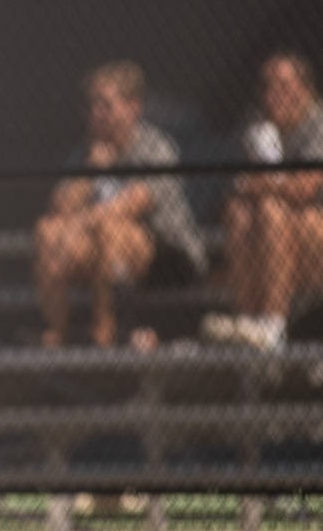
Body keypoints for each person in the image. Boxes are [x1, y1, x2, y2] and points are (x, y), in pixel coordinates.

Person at [201, 52, 323, 351]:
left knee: (271, 208)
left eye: (284, 85)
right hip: (279, 243)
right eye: (266, 86)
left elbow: (304, 189)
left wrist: (261, 185)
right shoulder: (257, 124)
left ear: (307, 90)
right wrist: (261, 183)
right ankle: (248, 323)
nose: (273, 94)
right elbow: (234, 193)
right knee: (239, 213)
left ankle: (272, 326)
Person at [33, 60, 205, 348]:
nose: (96, 114)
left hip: (165, 257)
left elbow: (130, 207)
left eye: (105, 106)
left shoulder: (155, 148)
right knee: (46, 231)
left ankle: (104, 336)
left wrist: (75, 226)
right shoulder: (85, 152)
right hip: (100, 247)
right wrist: (91, 172)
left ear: (133, 107)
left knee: (110, 231)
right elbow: (59, 209)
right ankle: (56, 334)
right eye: (91, 106)